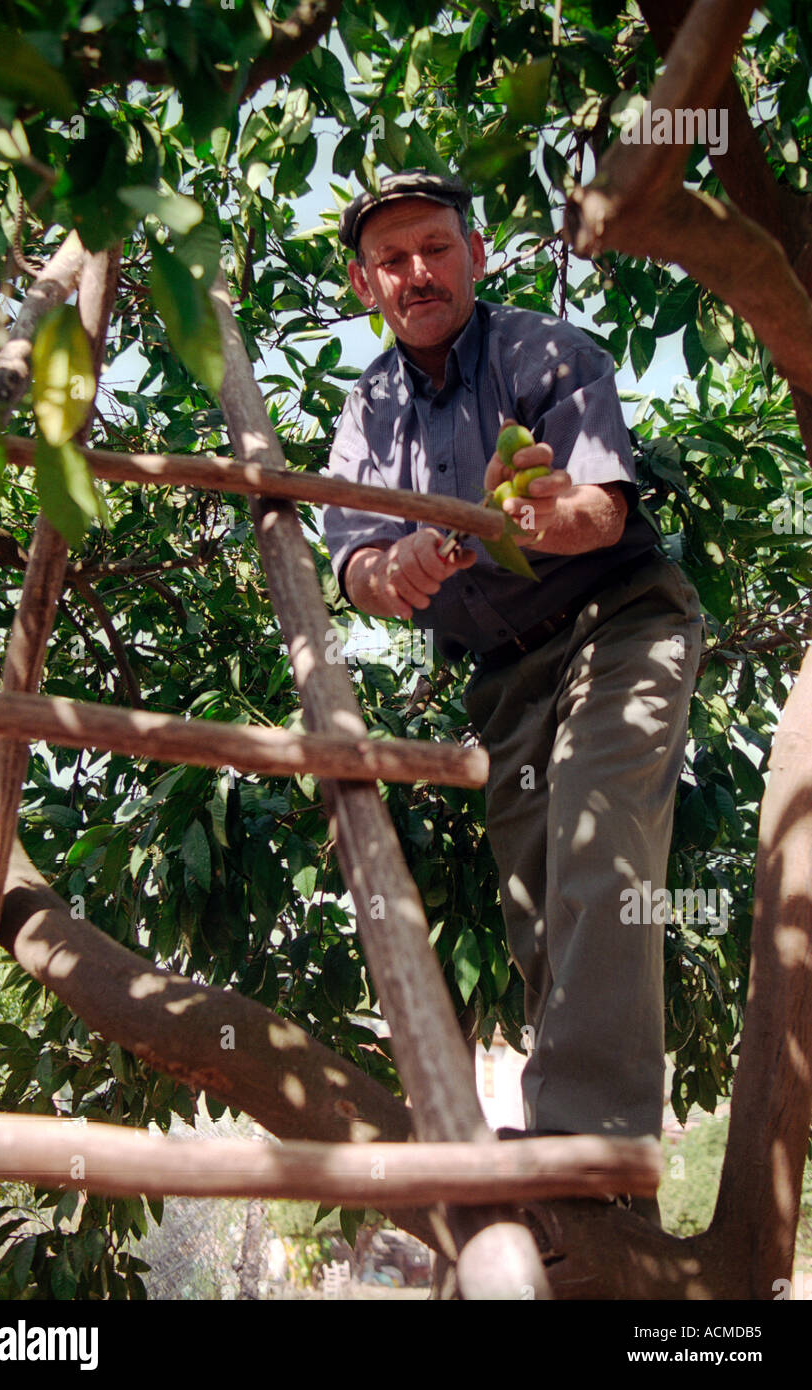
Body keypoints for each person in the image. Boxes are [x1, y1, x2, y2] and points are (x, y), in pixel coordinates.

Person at [321, 170, 703, 1221]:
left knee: (600, 847)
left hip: (619, 628)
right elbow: (351, 564)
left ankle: (587, 1167)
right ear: (366, 285)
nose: (416, 273)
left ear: (475, 256)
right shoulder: (368, 410)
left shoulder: (543, 352)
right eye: (392, 260)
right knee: (540, 908)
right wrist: (387, 574)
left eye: (434, 248)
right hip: (504, 681)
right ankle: (591, 1187)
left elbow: (599, 508)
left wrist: (532, 515)